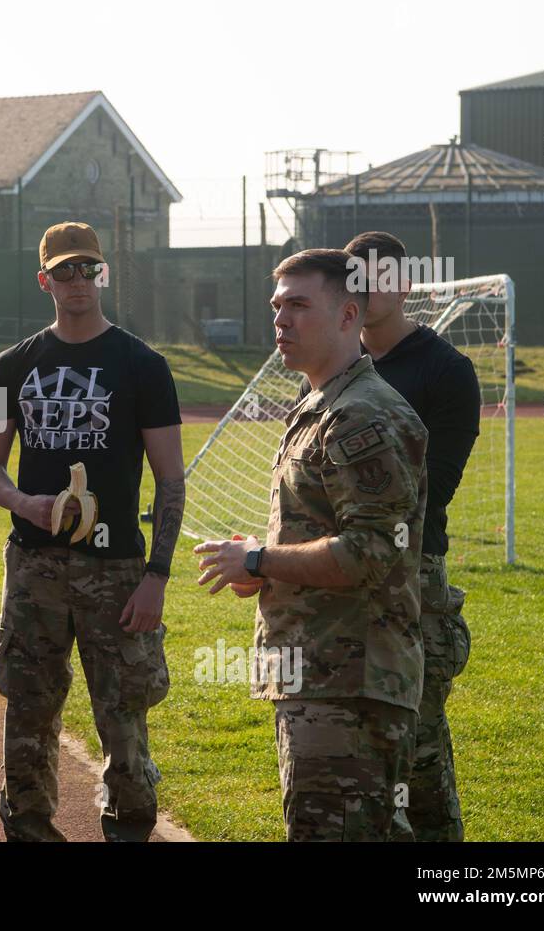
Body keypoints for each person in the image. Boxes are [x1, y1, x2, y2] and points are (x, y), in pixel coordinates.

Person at [195, 248, 428, 841]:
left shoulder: (360, 417)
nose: (281, 320)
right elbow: (328, 534)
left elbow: (370, 554)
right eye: (277, 306)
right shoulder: (323, 405)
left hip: (348, 685)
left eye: (299, 305)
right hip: (321, 675)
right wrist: (266, 564)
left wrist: (257, 559)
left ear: (349, 315)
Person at [0, 222, 183, 842]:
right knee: (29, 703)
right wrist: (26, 504)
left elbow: (170, 482)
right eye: (64, 271)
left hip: (116, 569)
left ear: (102, 275)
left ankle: (130, 821)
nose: (78, 282)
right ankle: (30, 822)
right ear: (44, 281)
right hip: (34, 565)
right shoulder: (10, 366)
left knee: (123, 708)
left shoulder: (143, 365)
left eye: (88, 269)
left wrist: (157, 577)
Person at [296, 231, 478, 841]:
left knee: (417, 754)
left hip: (411, 582)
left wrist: (361, 543)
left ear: (405, 284)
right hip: (339, 583)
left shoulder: (445, 370)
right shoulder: (331, 370)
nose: (368, 287)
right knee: (362, 761)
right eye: (356, 277)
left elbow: (434, 490)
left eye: (380, 276)